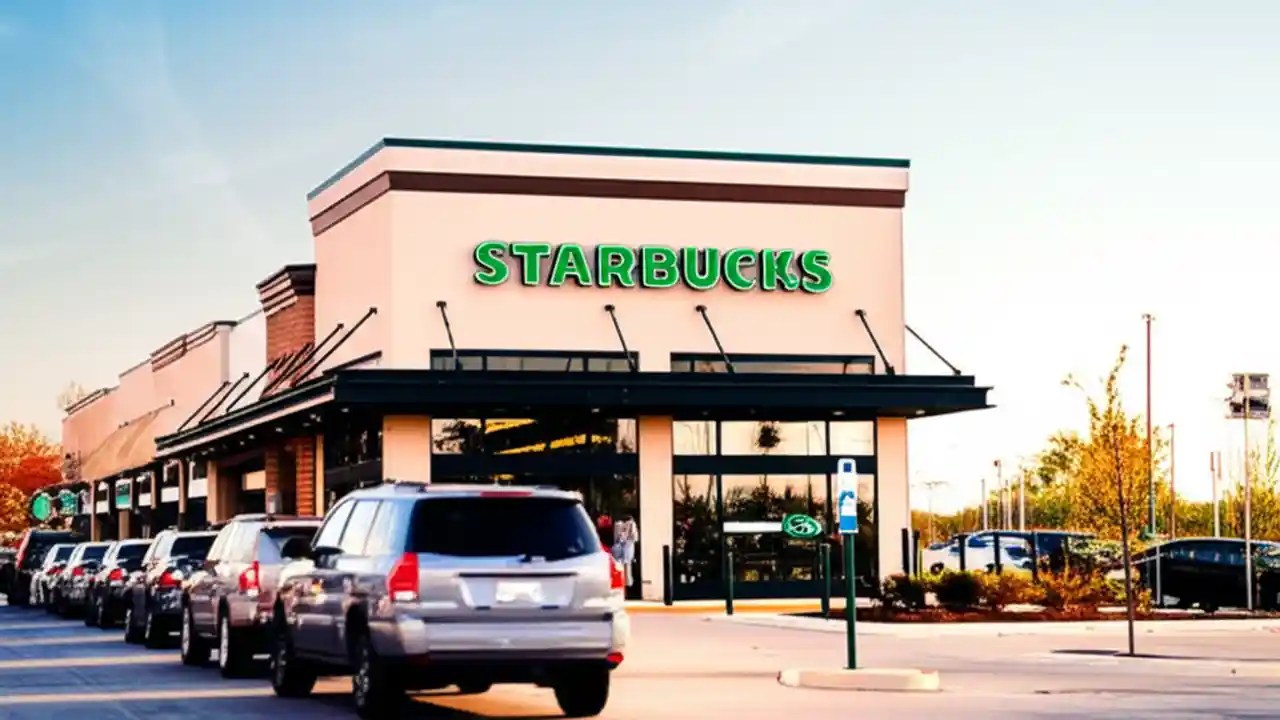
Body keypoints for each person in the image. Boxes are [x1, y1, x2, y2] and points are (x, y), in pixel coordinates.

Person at [611, 514, 638, 587]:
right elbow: (634, 537)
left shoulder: (618, 524)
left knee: (619, 566)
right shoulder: (632, 524)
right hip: (627, 546)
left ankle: (620, 582)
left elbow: (616, 537)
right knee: (627, 565)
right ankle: (627, 583)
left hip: (619, 546)